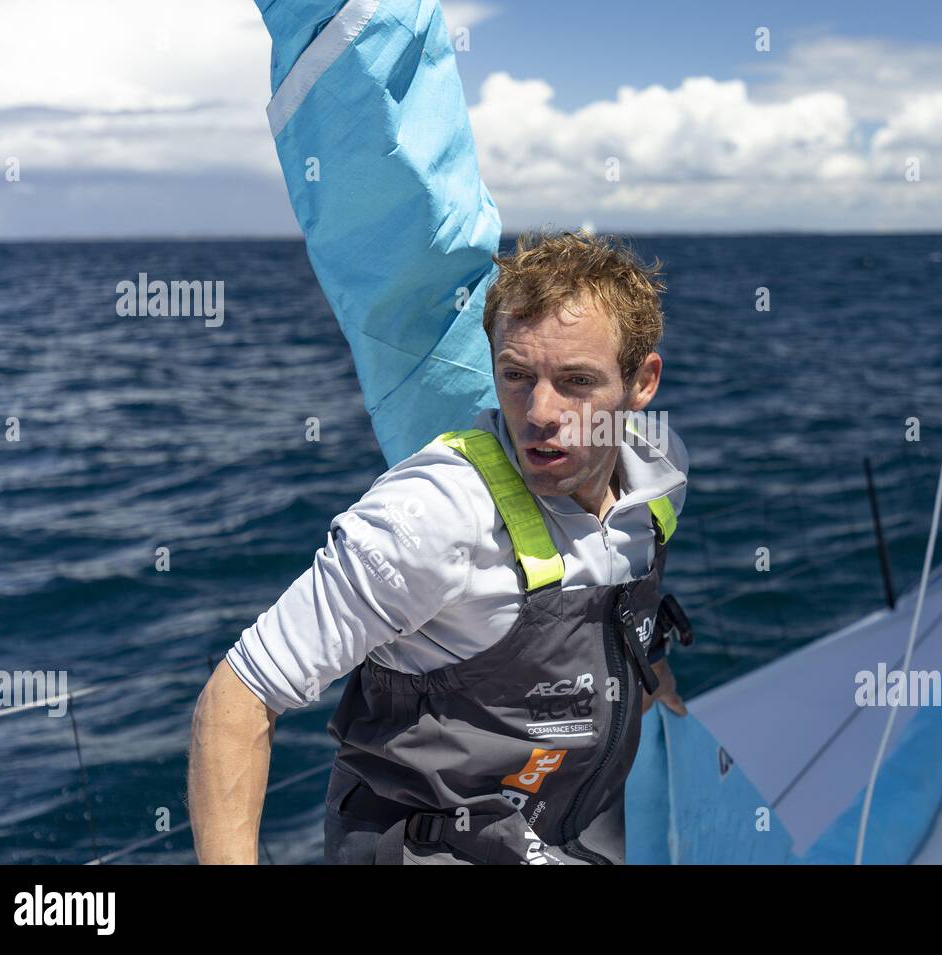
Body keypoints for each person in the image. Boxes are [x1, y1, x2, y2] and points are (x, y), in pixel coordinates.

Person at [186, 0, 689, 865]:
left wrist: (647, 669)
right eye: (515, 375)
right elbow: (237, 700)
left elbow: (613, 590)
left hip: (556, 830)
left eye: (575, 383)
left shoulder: (656, 483)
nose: (538, 413)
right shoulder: (432, 516)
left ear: (642, 384)